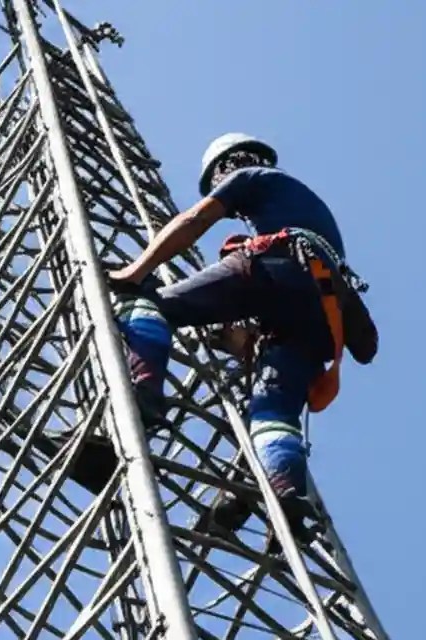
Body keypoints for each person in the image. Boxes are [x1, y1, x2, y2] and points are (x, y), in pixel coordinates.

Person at [105, 132, 377, 538]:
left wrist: (134, 272)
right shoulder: (312, 216)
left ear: (225, 166)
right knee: (273, 418)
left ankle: (144, 395)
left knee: (148, 305)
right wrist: (239, 343)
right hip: (320, 317)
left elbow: (193, 222)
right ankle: (285, 495)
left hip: (276, 263)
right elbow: (364, 348)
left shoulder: (249, 176)